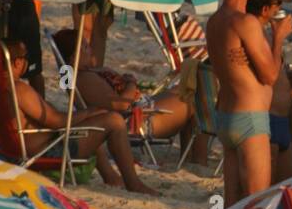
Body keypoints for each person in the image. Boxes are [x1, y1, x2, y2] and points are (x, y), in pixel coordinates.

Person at [7, 39, 157, 194]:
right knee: (114, 121)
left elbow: (67, 93)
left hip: (23, 146)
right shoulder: (20, 89)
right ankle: (133, 184)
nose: (90, 49)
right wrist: (90, 111)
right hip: (44, 150)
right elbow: (59, 121)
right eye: (85, 47)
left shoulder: (1, 85)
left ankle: (111, 176)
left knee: (97, 122)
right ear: (17, 63)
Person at [206, 0, 292, 202]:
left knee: (232, 199)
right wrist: (278, 38)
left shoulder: (214, 22)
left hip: (225, 116)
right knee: (256, 200)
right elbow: (270, 76)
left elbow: (230, 64)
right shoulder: (245, 22)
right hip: (250, 117)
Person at [52, 27, 195, 148]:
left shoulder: (79, 75)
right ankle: (198, 157)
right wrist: (131, 83)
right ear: (73, 57)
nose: (89, 49)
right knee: (193, 99)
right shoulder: (84, 79)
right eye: (85, 47)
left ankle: (192, 156)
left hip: (141, 109)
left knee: (184, 89)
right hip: (137, 122)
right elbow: (121, 105)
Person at [247, 0, 292, 182]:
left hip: (280, 119)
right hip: (267, 120)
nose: (280, 9)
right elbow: (269, 76)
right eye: (278, 4)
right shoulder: (254, 33)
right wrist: (278, 39)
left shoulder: (263, 31)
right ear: (267, 7)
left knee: (287, 188)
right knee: (266, 193)